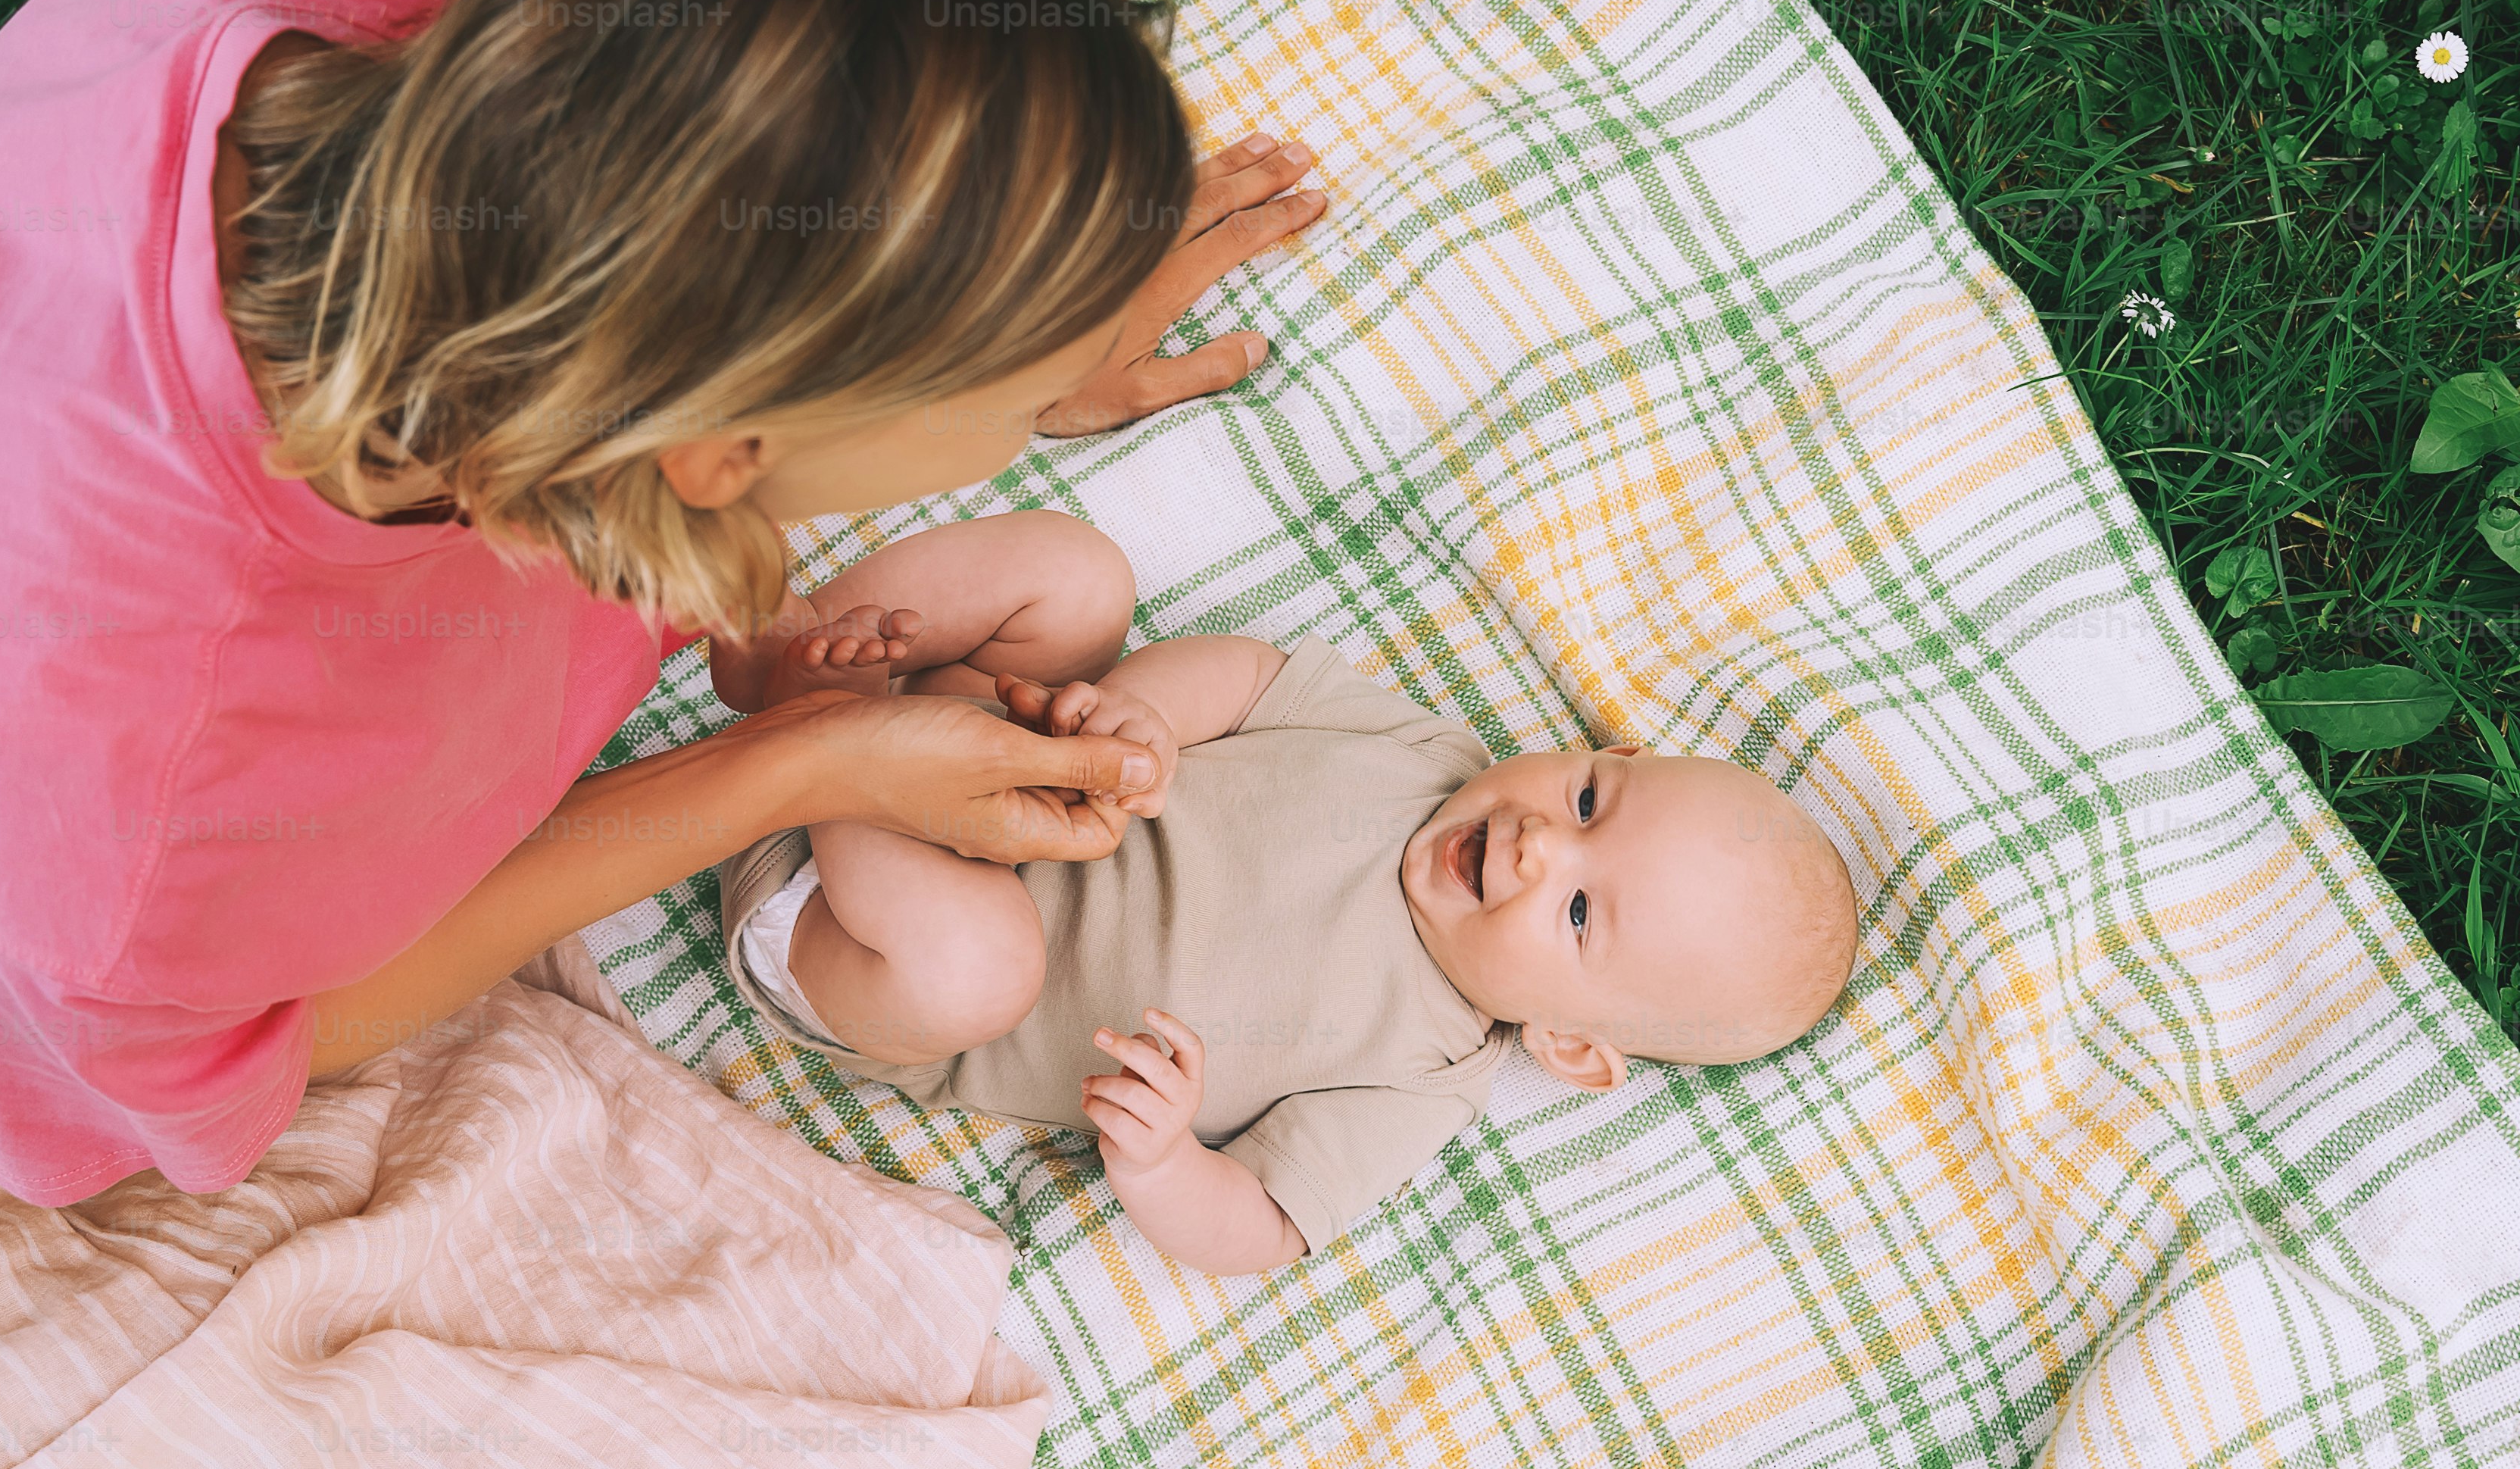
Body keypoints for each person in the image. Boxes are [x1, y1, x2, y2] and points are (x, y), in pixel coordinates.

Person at [0, 0, 1330, 1204]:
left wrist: (1009, 290)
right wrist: (799, 768)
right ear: (718, 456)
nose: (1046, 396)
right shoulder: (113, 817)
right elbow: (271, 1041)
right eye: (1014, 392)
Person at [699, 517, 1863, 1276]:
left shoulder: (1420, 1073)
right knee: (1077, 576)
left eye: (1576, 914)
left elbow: (1263, 1225)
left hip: (851, 933)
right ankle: (783, 662)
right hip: (986, 745)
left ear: (1567, 1044)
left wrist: (1163, 1164)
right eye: (1591, 798)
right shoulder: (1427, 753)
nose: (1531, 846)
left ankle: (819, 743)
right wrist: (1143, 717)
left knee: (986, 962)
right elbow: (1255, 678)